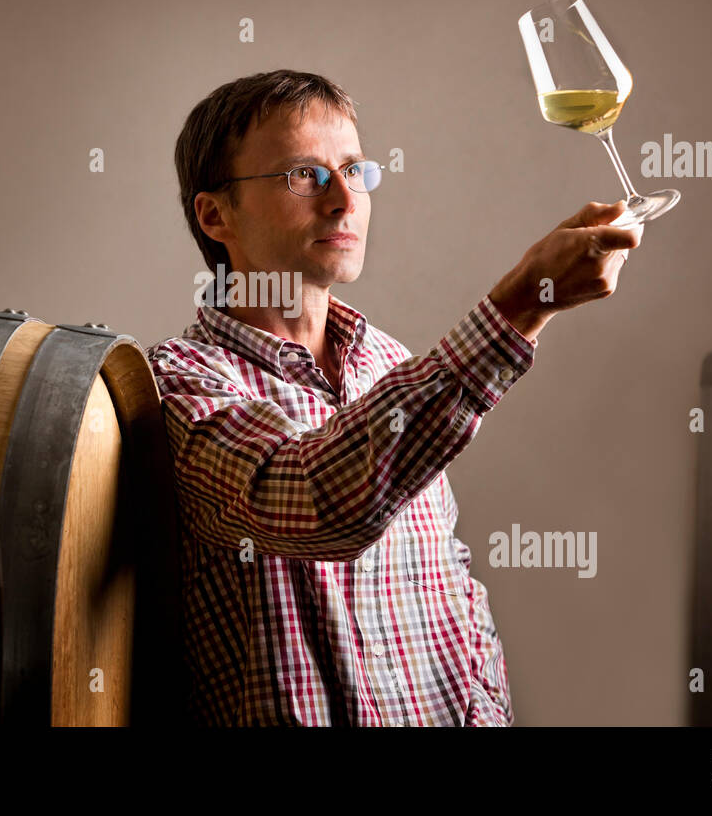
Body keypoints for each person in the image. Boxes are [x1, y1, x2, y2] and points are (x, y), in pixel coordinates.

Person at [146, 69, 642, 726]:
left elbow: (448, 570)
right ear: (216, 215)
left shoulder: (389, 363)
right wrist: (520, 305)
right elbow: (316, 502)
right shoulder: (181, 383)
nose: (343, 201)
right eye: (303, 175)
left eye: (354, 171)